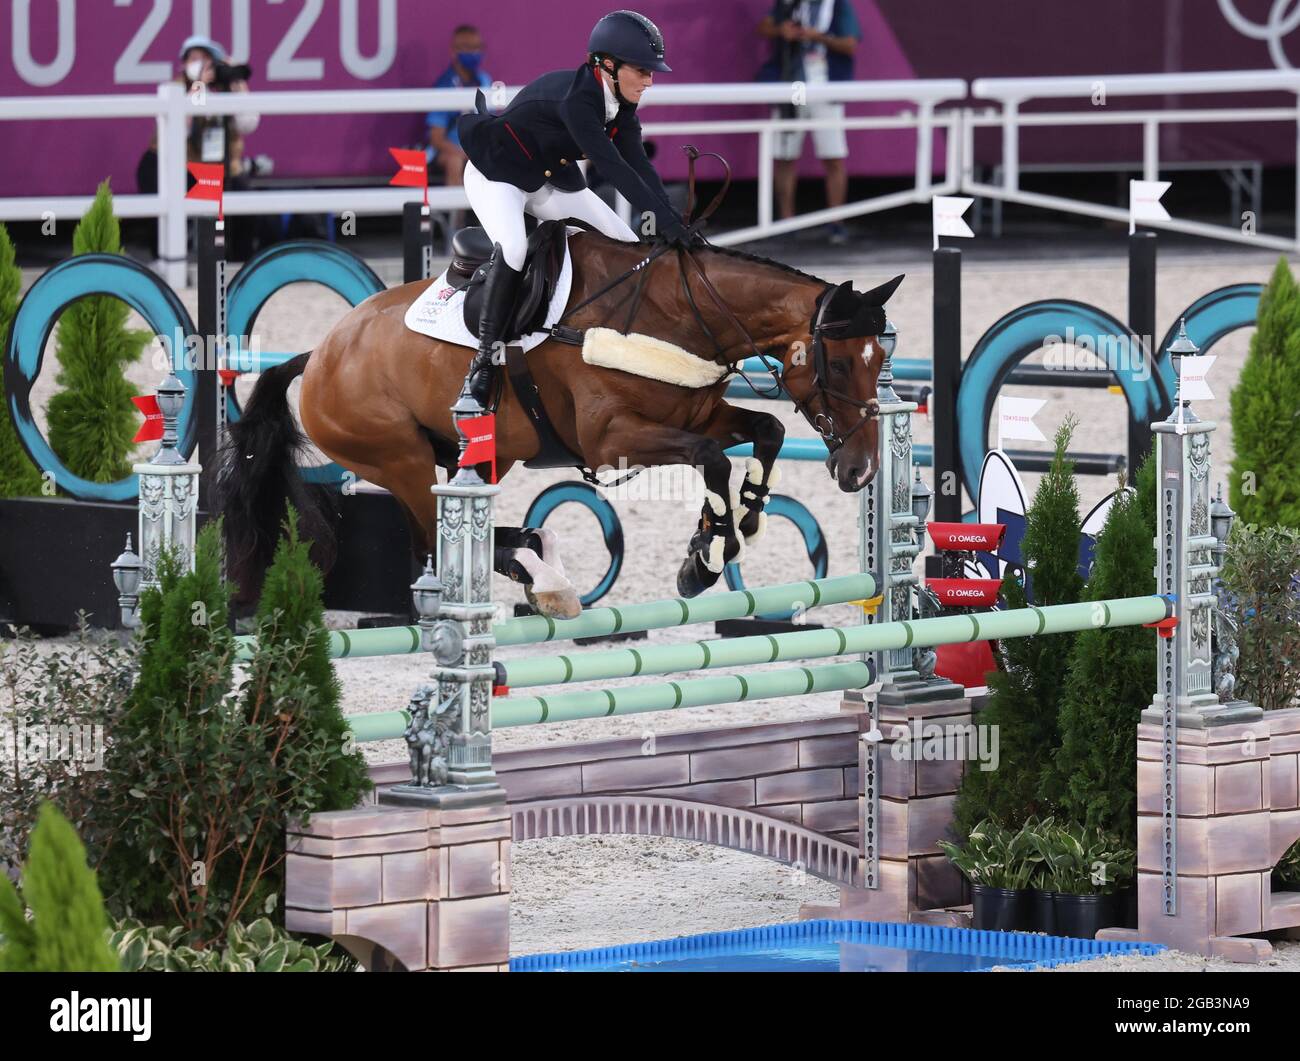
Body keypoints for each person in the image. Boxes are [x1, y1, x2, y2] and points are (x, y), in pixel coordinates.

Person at [455, 9, 688, 407]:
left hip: (548, 179)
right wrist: (666, 223)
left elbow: (640, 165)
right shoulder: (578, 101)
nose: (650, 81)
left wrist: (676, 223)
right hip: (497, 176)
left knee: (627, 242)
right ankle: (482, 364)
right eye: (643, 71)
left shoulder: (620, 102)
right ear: (607, 66)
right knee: (512, 249)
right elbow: (614, 168)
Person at [757, 0, 862, 245]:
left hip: (825, 84)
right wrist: (782, 31)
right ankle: (787, 221)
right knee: (786, 152)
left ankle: (836, 221)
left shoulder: (838, 5)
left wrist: (819, 37)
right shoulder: (790, 4)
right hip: (795, 83)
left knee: (833, 153)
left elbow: (850, 44)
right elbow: (764, 27)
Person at [425, 24, 492, 190]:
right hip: (448, 151)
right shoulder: (445, 85)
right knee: (454, 160)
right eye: (468, 48)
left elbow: (490, 125)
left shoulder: (485, 80)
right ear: (454, 51)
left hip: (477, 150)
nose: (474, 53)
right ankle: (457, 215)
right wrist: (464, 154)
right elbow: (436, 138)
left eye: (477, 48)